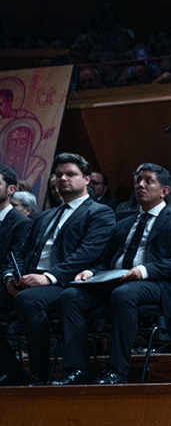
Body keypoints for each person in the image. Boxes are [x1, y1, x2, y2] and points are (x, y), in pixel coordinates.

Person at [55, 163, 171, 385]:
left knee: (124, 294)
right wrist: (90, 272)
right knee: (70, 296)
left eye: (148, 180)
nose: (140, 185)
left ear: (164, 190)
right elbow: (106, 259)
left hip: (159, 283)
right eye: (137, 181)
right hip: (116, 279)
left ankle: (117, 371)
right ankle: (77, 369)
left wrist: (144, 270)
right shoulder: (123, 222)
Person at [0, 153, 116, 385]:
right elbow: (22, 252)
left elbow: (87, 253)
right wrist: (11, 276)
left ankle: (41, 372)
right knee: (24, 296)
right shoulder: (46, 216)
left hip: (69, 281)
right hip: (33, 281)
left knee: (29, 300)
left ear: (86, 179)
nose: (63, 179)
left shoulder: (99, 212)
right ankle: (11, 370)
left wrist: (50, 278)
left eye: (71, 174)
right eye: (59, 175)